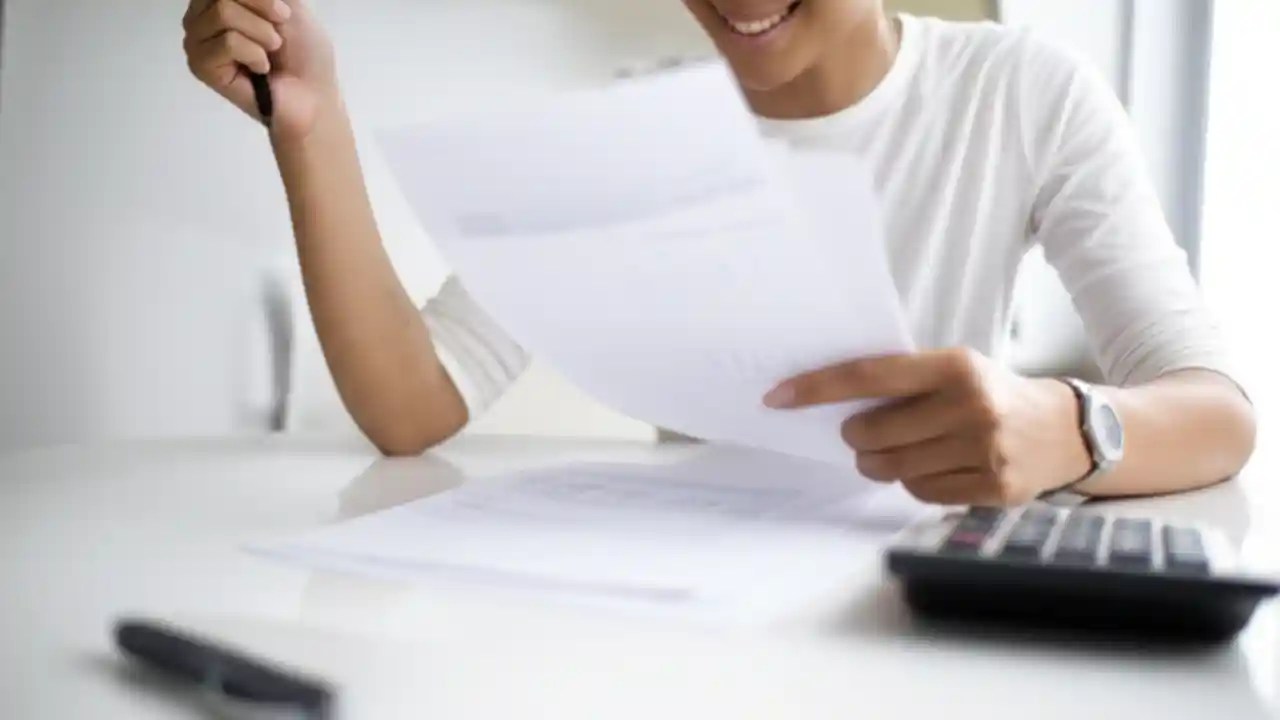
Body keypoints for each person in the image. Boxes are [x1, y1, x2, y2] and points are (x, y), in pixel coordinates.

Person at [181, 0, 1255, 506]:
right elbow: (413, 407)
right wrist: (310, 132)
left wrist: (1070, 426)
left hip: (925, 603)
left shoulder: (1021, 93)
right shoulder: (640, 130)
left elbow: (1215, 414)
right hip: (687, 617)